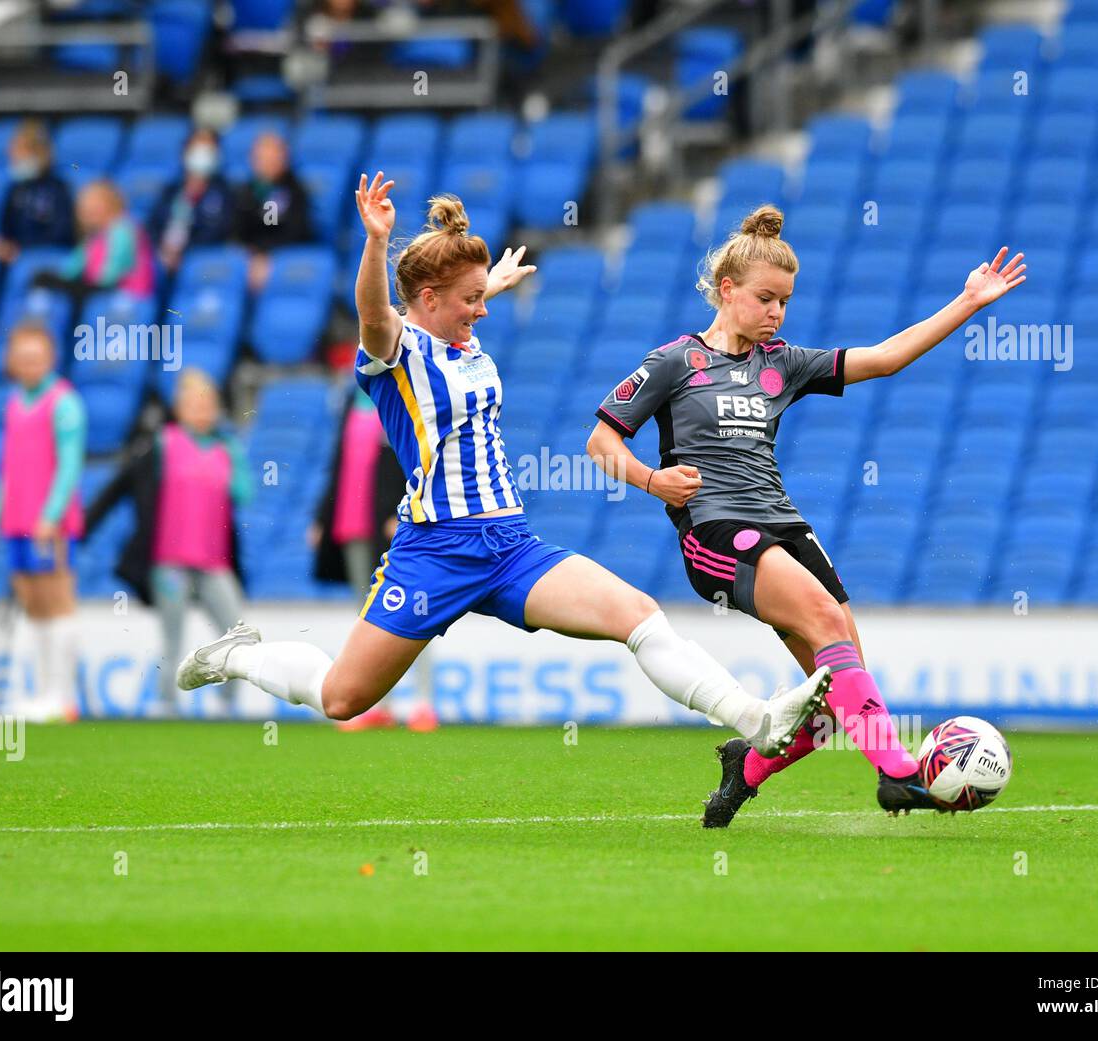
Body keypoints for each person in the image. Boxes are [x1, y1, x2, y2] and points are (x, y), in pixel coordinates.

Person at [176, 175, 832, 757]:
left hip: (510, 544)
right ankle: (240, 652)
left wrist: (485, 282)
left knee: (635, 613)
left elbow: (447, 305)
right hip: (435, 550)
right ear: (428, 298)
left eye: (482, 295)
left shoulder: (459, 341)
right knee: (343, 698)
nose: (483, 308)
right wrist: (377, 244)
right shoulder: (395, 353)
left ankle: (756, 718)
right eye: (471, 299)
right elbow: (377, 312)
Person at [586, 205, 1026, 826]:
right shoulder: (673, 363)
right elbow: (600, 445)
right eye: (766, 299)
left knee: (840, 687)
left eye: (785, 302)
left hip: (786, 526)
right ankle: (898, 772)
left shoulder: (782, 363)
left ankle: (749, 767)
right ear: (727, 289)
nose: (777, 313)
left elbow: (885, 358)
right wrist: (653, 480)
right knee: (826, 627)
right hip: (716, 528)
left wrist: (967, 303)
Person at [85, 369, 252, 716]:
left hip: (213, 562)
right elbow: (122, 486)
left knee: (235, 632)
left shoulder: (226, 449)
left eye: (207, 404)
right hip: (171, 562)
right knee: (172, 636)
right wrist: (85, 524)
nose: (201, 411)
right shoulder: (162, 444)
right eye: (193, 404)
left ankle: (229, 706)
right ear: (179, 408)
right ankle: (166, 704)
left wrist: (235, 458)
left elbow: (244, 493)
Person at [0, 321, 87, 723]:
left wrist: (51, 515)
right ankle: (44, 693)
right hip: (17, 522)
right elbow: (9, 470)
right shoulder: (13, 403)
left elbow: (71, 464)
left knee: (57, 601)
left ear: (50, 358)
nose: (29, 364)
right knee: (34, 605)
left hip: (48, 525)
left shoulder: (65, 402)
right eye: (22, 358)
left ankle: (63, 695)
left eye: (36, 357)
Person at [311, 387, 439, 731]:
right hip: (353, 523)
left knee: (412, 612)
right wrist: (322, 517)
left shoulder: (404, 392)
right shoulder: (351, 401)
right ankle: (378, 705)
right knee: (369, 617)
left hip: (394, 522)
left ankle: (423, 703)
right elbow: (339, 465)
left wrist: (404, 506)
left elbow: (418, 457)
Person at [34, 180, 154, 301]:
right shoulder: (95, 234)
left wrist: (80, 286)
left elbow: (113, 271)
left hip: (122, 292)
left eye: (94, 205)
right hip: (97, 289)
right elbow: (73, 266)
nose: (89, 212)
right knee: (44, 279)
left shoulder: (123, 227)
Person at [234, 131, 314, 292]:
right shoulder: (245, 191)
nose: (266, 163)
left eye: (272, 156)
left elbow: (297, 231)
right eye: (261, 157)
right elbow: (236, 230)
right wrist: (251, 254)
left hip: (283, 255)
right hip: (249, 256)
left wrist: (265, 254)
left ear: (284, 158)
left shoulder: (296, 191)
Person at [0, 119, 75, 263]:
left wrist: (21, 249)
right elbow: (3, 230)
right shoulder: (14, 189)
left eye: (19, 150)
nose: (11, 155)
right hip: (15, 262)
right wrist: (2, 247)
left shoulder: (58, 188)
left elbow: (63, 234)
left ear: (38, 152)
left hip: (47, 259)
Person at [148, 128, 235, 275]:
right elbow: (153, 224)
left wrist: (184, 251)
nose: (202, 154)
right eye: (197, 148)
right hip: (163, 258)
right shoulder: (171, 190)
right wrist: (162, 248)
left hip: (200, 262)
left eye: (207, 149)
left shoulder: (224, 192)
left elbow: (218, 230)